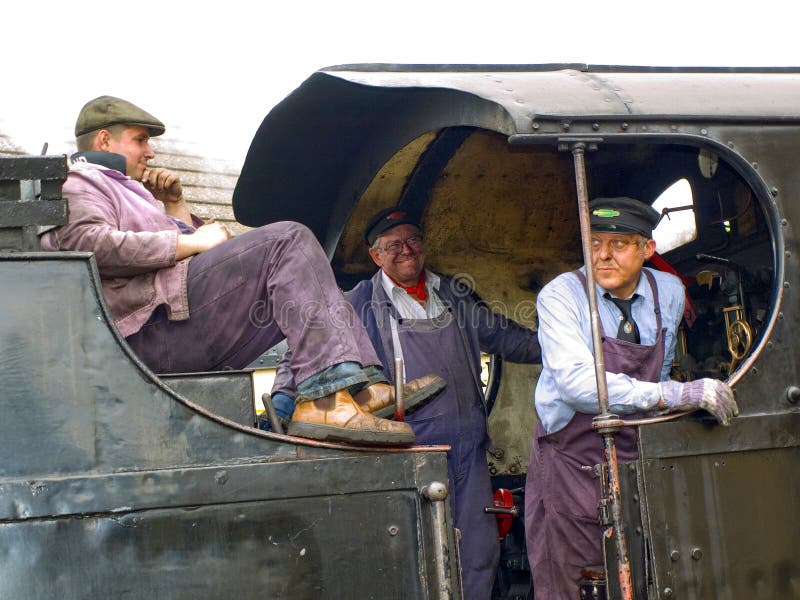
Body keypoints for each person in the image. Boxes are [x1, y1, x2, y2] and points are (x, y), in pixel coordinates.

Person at [40, 95, 446, 446]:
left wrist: (178, 209)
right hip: (148, 332)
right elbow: (88, 245)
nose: (150, 152)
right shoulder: (81, 181)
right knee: (288, 240)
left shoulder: (133, 192)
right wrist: (192, 241)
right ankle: (326, 398)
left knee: (302, 283)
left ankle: (351, 391)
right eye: (140, 140)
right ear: (104, 140)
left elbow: (208, 260)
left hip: (172, 318)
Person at [271, 207, 541, 599]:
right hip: (406, 453)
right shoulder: (358, 302)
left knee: (478, 553)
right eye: (392, 245)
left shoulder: (453, 294)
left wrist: (560, 348)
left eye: (412, 240)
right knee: (415, 553)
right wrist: (282, 397)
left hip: (468, 452)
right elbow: (306, 343)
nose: (406, 250)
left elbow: (502, 335)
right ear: (375, 256)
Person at [524, 196, 739, 600]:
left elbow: (660, 366)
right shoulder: (561, 296)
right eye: (594, 243)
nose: (602, 256)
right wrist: (673, 394)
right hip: (573, 462)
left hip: (638, 453)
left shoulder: (669, 292)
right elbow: (580, 385)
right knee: (577, 579)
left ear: (647, 249)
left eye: (619, 244)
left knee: (648, 572)